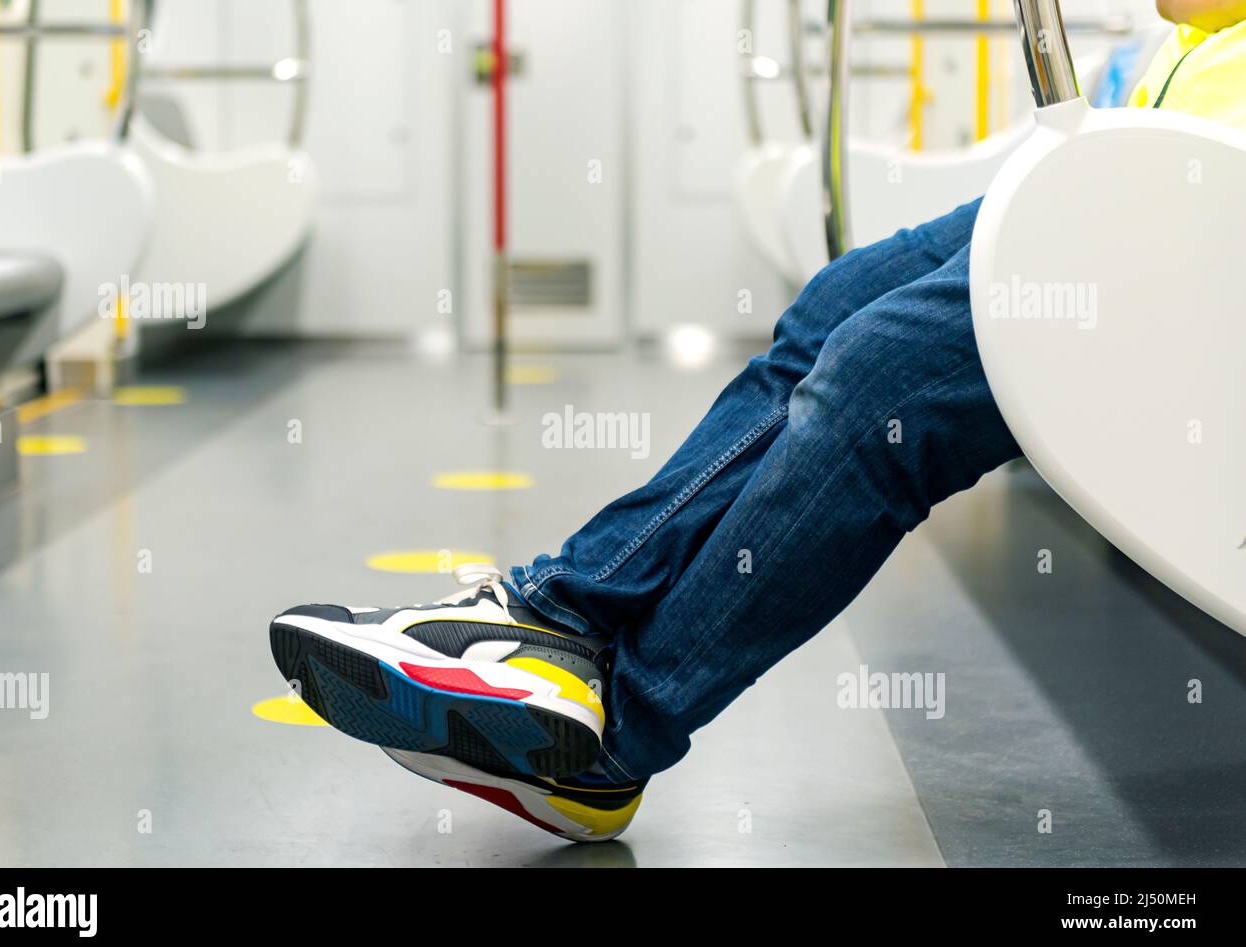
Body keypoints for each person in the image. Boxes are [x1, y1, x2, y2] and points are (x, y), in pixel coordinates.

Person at [269, 1, 1246, 843]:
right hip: (1149, 167)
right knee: (836, 306)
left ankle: (612, 737)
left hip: (1197, 237)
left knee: (883, 379)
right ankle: (556, 621)